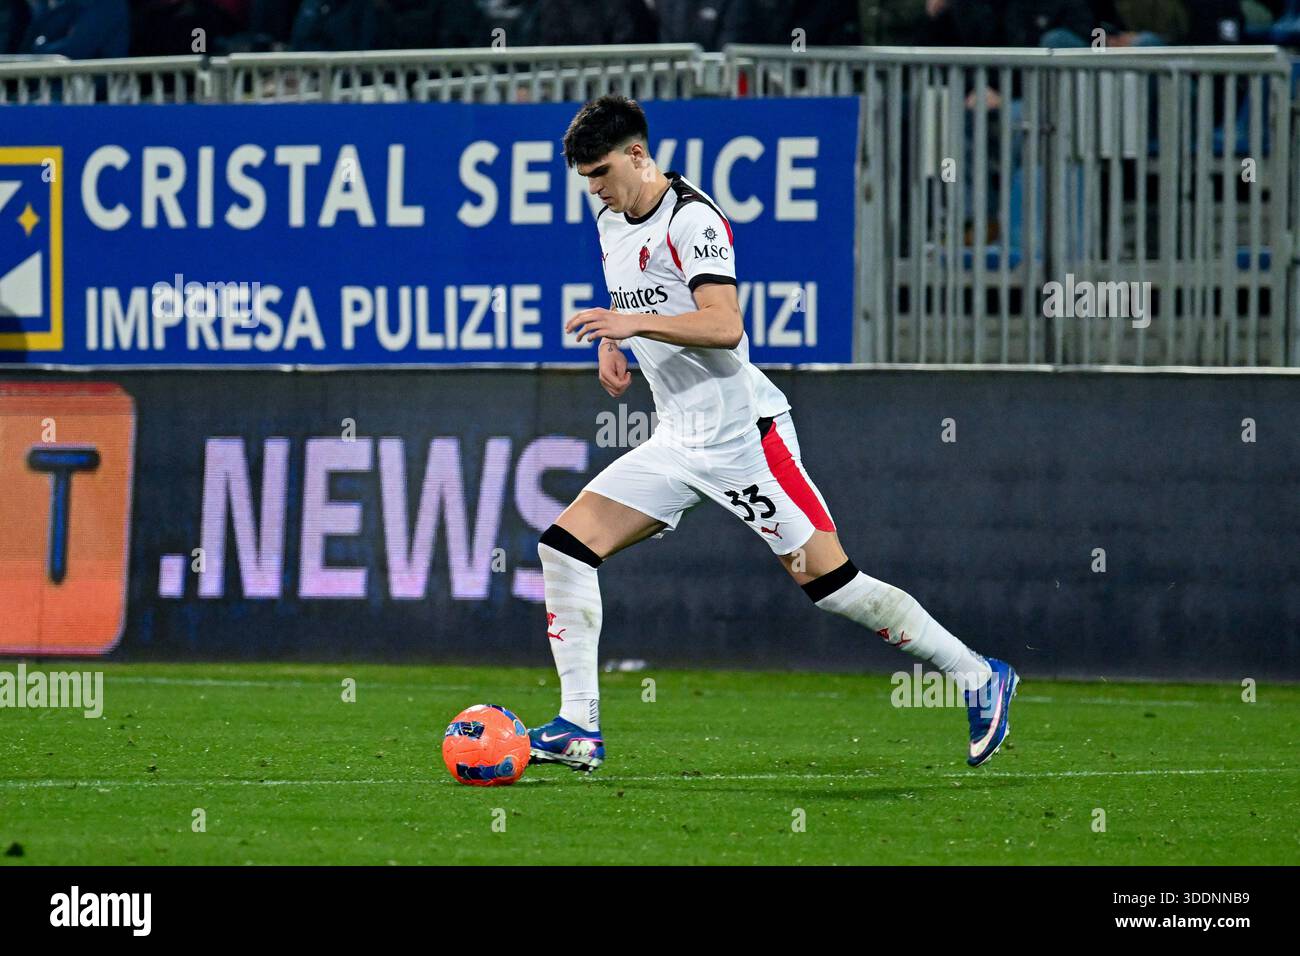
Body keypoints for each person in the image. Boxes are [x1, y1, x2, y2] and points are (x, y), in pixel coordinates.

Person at [528, 95, 1019, 773]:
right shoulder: (613, 216)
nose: (596, 189)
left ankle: (976, 674)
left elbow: (724, 325)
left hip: (744, 439)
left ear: (639, 154)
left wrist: (633, 326)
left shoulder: (694, 220)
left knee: (833, 585)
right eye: (586, 179)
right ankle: (579, 728)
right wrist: (618, 340)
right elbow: (640, 297)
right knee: (565, 548)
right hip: (677, 439)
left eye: (603, 172)